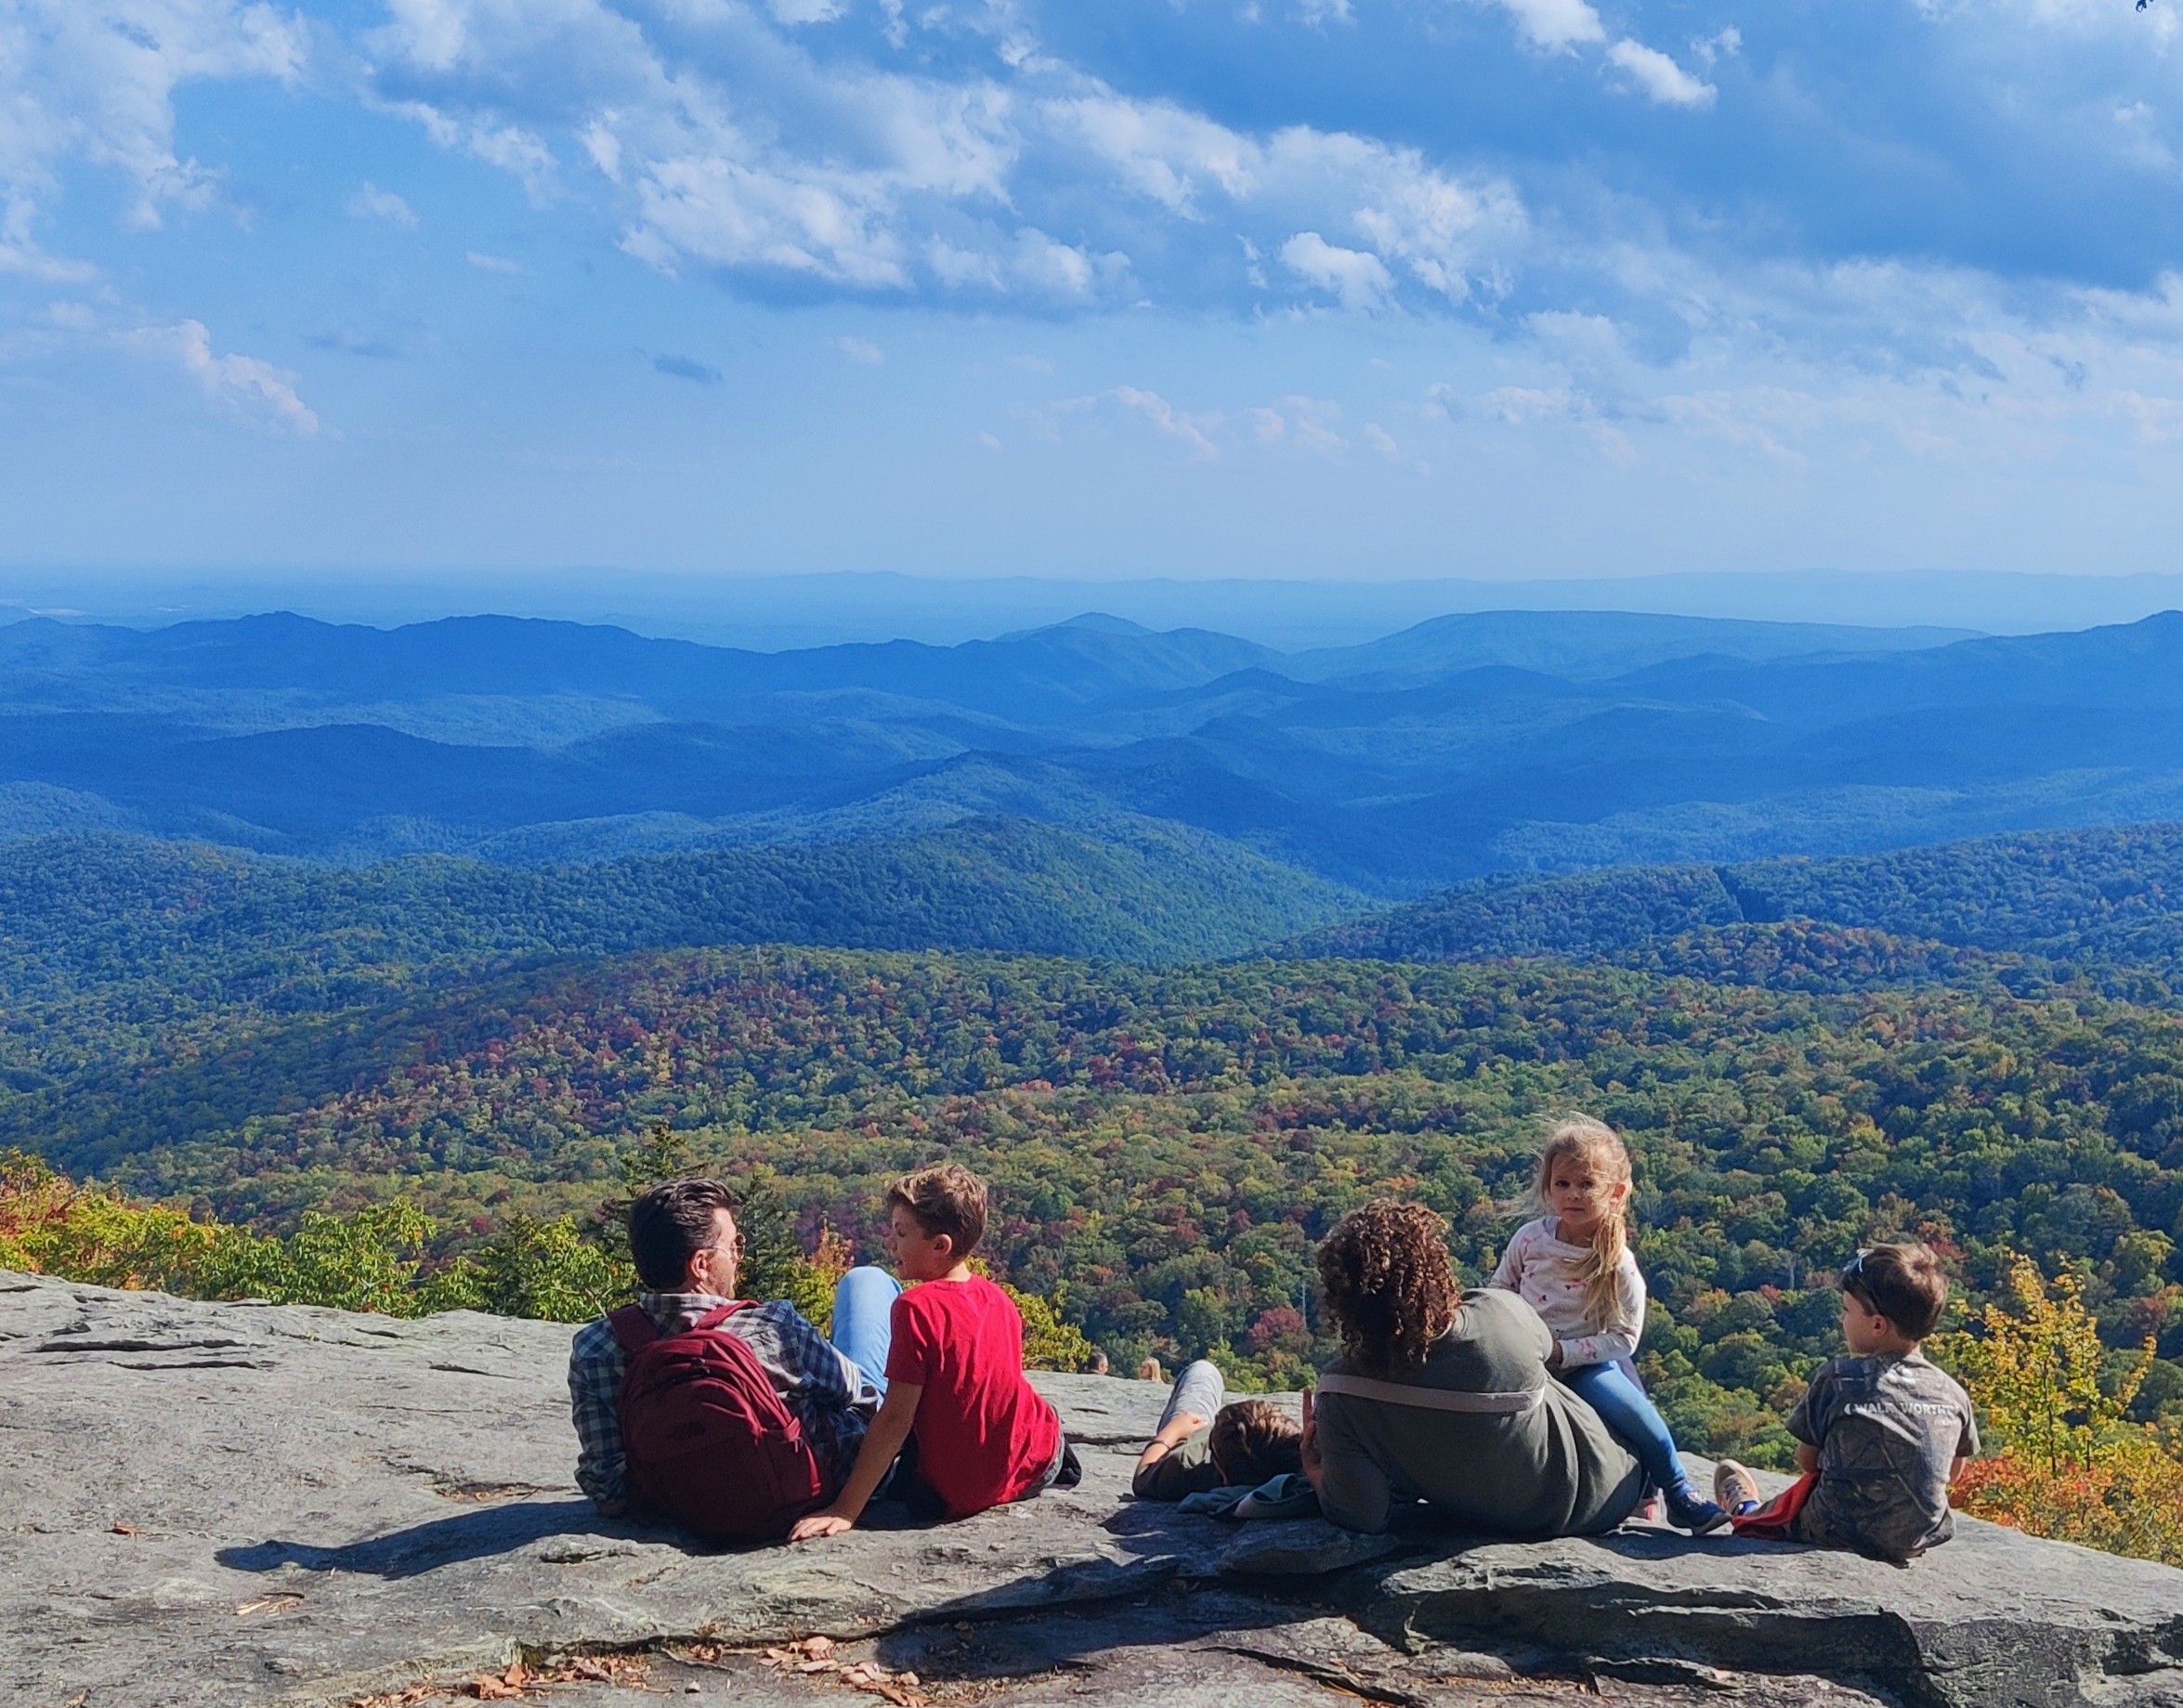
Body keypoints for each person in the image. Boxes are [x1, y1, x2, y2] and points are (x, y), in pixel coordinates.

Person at [1302, 1198, 1645, 1537]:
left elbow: (1365, 1516)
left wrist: (1319, 1470)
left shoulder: (1343, 1392)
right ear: (1436, 1270)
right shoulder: (1501, 1313)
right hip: (1609, 1489)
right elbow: (1552, 1353)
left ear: (1342, 1304)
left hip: (1506, 1522)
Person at [567, 1178, 897, 1524]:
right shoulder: (774, 1327)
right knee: (865, 1282)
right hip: (813, 1497)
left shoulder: (596, 1348)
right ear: (701, 1264)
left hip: (678, 1512)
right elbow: (858, 1394)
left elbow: (608, 1490)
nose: (739, 1256)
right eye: (732, 1245)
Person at [789, 1162, 1078, 1539]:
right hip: (1035, 1463)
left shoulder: (916, 1309)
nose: (890, 1243)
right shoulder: (999, 1301)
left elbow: (895, 1421)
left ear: (940, 1246)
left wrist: (845, 1509)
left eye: (901, 1233)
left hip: (948, 1495)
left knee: (864, 1286)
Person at [1487, 1116, 1729, 1534]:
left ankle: (1679, 1491)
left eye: (1586, 1184)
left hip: (1583, 1365)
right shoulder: (1529, 1239)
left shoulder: (1617, 1262)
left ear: (1614, 1192)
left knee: (1638, 1416)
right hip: (1522, 1355)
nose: (1573, 1194)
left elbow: (1624, 1338)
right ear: (1548, 1186)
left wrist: (1567, 1354)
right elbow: (1499, 1289)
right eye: (1562, 1184)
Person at [1713, 1243, 1978, 1561]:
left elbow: (1807, 1461)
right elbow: (1953, 1470)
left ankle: (1746, 1509)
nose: (1842, 1318)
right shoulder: (1952, 1393)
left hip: (1832, 1529)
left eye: (1848, 1310)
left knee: (1797, 1498)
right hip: (1914, 1537)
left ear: (1878, 1325)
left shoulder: (1839, 1377)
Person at [1132, 1359, 1302, 1501]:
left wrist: (1172, 1431)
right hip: (1234, 1443)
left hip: (1190, 1430)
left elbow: (1143, 1477)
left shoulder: (1186, 1466)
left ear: (1223, 1474)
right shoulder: (1305, 1471)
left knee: (1203, 1370)